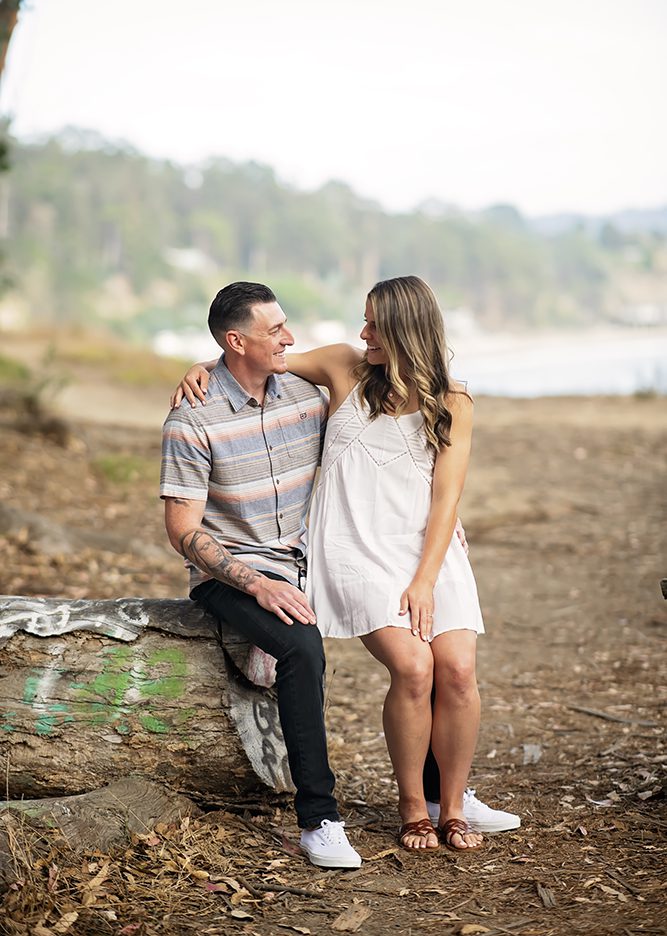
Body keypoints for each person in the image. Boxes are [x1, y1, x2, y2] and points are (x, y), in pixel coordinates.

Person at [173, 277, 521, 851]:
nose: (362, 334)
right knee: (414, 666)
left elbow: (446, 499)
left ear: (408, 331)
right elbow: (262, 358)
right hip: (353, 544)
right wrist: (201, 365)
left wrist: (426, 580)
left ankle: (453, 805)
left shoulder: (454, 401)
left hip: (426, 547)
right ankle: (413, 808)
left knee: (457, 668)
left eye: (375, 325)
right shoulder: (343, 366)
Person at [160, 282, 362, 869]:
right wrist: (256, 583)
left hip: (309, 558)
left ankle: (436, 796)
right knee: (302, 646)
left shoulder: (305, 396)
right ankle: (320, 821)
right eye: (275, 332)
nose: (290, 338)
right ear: (236, 340)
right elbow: (182, 531)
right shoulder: (191, 420)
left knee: (411, 630)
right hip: (231, 573)